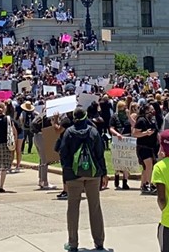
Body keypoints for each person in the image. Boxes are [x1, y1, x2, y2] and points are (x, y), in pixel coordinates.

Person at [56, 107, 109, 252]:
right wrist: (104, 173)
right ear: (86, 116)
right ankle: (99, 242)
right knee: (95, 207)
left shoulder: (69, 132)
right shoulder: (93, 131)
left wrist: (66, 174)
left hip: (74, 175)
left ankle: (73, 243)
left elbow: (63, 154)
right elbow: (100, 154)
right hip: (93, 173)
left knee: (73, 208)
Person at [134, 103, 160, 195]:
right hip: (143, 146)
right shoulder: (141, 120)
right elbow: (135, 133)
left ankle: (143, 185)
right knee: (149, 165)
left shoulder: (152, 120)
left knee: (147, 168)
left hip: (152, 147)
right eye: (151, 109)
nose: (152, 111)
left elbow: (157, 132)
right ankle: (149, 184)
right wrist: (145, 133)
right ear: (146, 110)